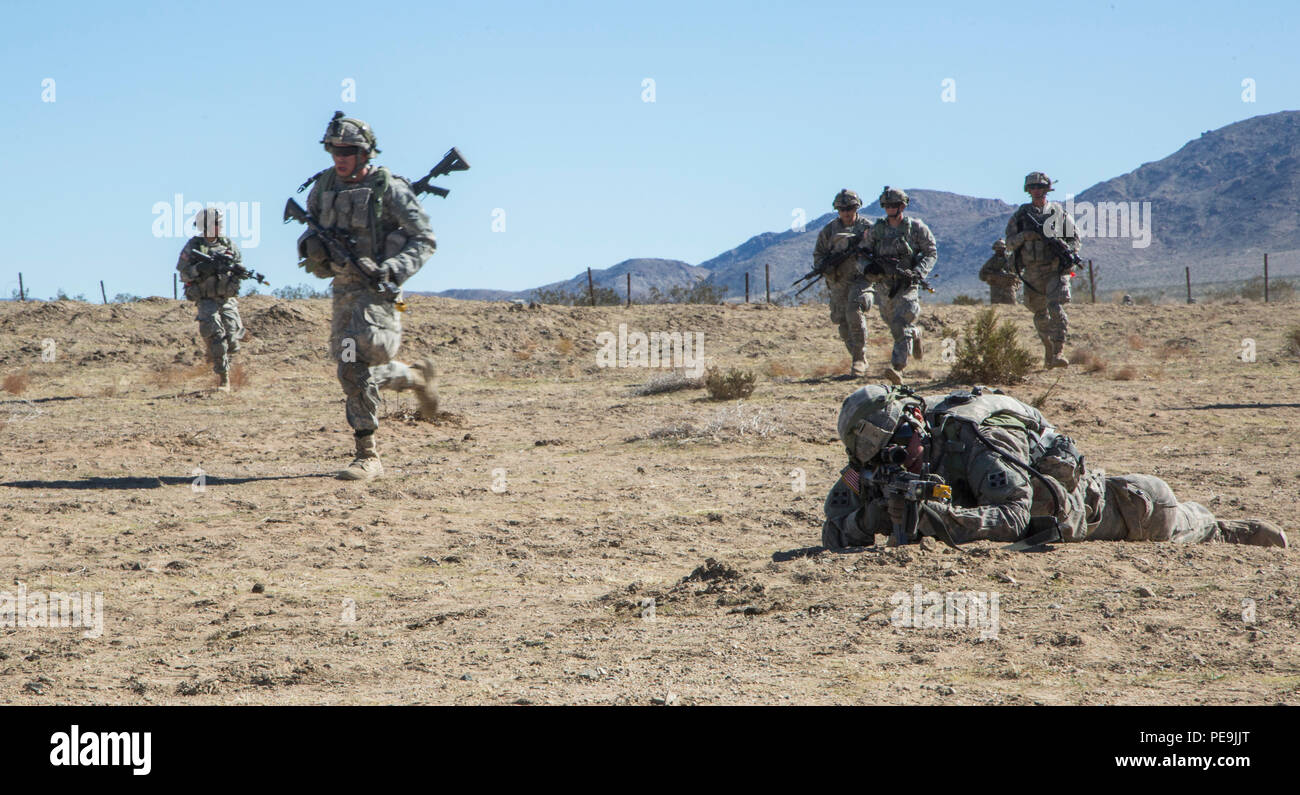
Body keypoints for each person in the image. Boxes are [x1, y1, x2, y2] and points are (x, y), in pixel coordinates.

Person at [822, 384, 1288, 549]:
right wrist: (871, 518)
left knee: (1171, 522)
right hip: (1064, 514)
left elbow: (1012, 518)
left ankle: (1227, 529)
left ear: (915, 421)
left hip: (1113, 509)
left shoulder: (977, 437)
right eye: (881, 458)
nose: (895, 462)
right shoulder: (882, 462)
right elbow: (833, 523)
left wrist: (937, 517)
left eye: (896, 449)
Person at [296, 111, 440, 480]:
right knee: (350, 368)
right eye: (334, 150)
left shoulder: (387, 188)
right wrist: (313, 248)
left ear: (364, 152)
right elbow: (310, 227)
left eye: (347, 150)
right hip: (343, 290)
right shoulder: (323, 187)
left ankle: (413, 377)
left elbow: (424, 239)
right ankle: (368, 454)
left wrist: (391, 269)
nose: (339, 157)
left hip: (378, 290)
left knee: (370, 363)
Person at [856, 187, 937, 385]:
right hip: (884, 285)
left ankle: (897, 368)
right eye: (887, 205)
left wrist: (919, 271)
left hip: (907, 284)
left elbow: (930, 252)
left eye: (894, 205)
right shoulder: (878, 230)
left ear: (902, 206)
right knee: (893, 324)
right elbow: (861, 254)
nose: (890, 209)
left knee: (901, 325)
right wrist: (868, 269)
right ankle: (915, 333)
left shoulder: (916, 228)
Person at [1005, 172, 1078, 368]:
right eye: (1033, 188)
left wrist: (1067, 252)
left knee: (1055, 307)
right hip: (1032, 271)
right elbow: (1009, 243)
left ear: (1047, 189)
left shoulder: (1058, 213)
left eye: (1040, 187)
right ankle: (1048, 349)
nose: (1036, 191)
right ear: (1028, 191)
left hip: (1055, 269)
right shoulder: (1021, 215)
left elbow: (1074, 239)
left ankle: (1058, 351)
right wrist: (1025, 236)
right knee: (1040, 314)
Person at [176, 208, 245, 392]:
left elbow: (239, 265)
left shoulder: (228, 244)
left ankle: (222, 359)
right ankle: (224, 379)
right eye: (216, 223)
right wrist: (200, 270)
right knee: (216, 335)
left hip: (226, 298)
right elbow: (182, 273)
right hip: (206, 299)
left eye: (220, 223)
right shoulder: (194, 246)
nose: (219, 226)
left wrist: (237, 271)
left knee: (233, 338)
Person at [812, 189, 873, 376]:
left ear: (857, 207)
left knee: (853, 311)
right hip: (838, 281)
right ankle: (857, 355)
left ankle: (859, 360)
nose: (846, 212)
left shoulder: (868, 228)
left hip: (861, 278)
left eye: (850, 208)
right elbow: (819, 255)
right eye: (842, 208)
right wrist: (826, 267)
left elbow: (879, 252)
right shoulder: (829, 230)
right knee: (842, 323)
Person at [978, 239, 1020, 305]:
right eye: (998, 249)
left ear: (1004, 249)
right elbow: (981, 275)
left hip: (1009, 288)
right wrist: (990, 276)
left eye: (1001, 249)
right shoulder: (991, 262)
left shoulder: (1010, 260)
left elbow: (1018, 273)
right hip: (996, 290)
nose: (999, 251)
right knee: (997, 309)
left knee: (1011, 308)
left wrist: (1010, 276)